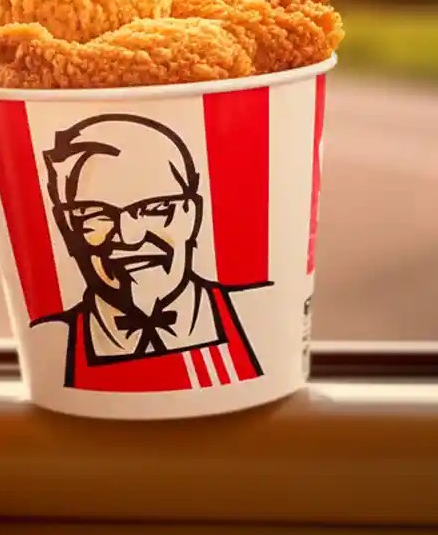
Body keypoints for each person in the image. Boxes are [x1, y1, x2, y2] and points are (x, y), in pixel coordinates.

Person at [32, 114, 266, 392]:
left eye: (156, 208)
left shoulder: (258, 314)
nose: (129, 238)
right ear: (67, 229)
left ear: (192, 215)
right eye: (95, 214)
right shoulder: (51, 341)